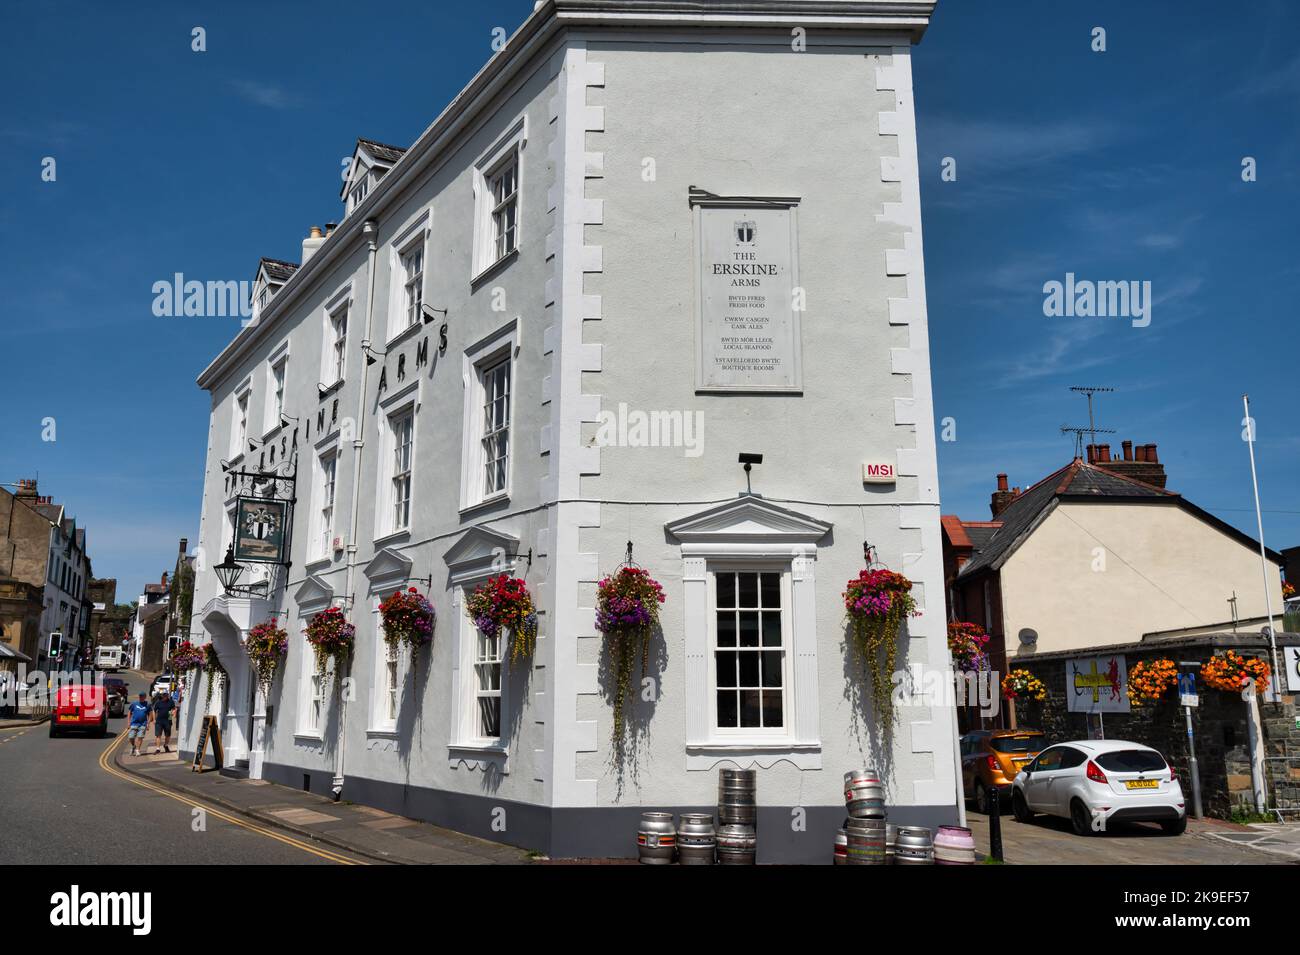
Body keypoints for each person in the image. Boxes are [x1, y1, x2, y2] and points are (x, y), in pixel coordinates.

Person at [151, 690, 176, 755]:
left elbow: (174, 709)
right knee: (158, 735)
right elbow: (154, 710)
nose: (165, 696)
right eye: (164, 695)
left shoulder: (171, 702)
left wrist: (173, 713)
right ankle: (158, 749)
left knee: (168, 735)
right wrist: (154, 719)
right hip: (159, 721)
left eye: (166, 695)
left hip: (168, 721)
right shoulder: (158, 702)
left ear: (167, 695)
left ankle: (166, 745)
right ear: (162, 695)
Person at [127, 692, 150, 756]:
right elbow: (129, 713)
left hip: (143, 724)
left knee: (140, 737)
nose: (140, 697)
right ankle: (133, 746)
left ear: (145, 697)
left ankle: (137, 750)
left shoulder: (147, 704)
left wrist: (148, 723)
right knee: (131, 737)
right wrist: (128, 722)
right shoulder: (134, 704)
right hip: (134, 723)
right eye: (140, 696)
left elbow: (150, 714)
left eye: (142, 696)